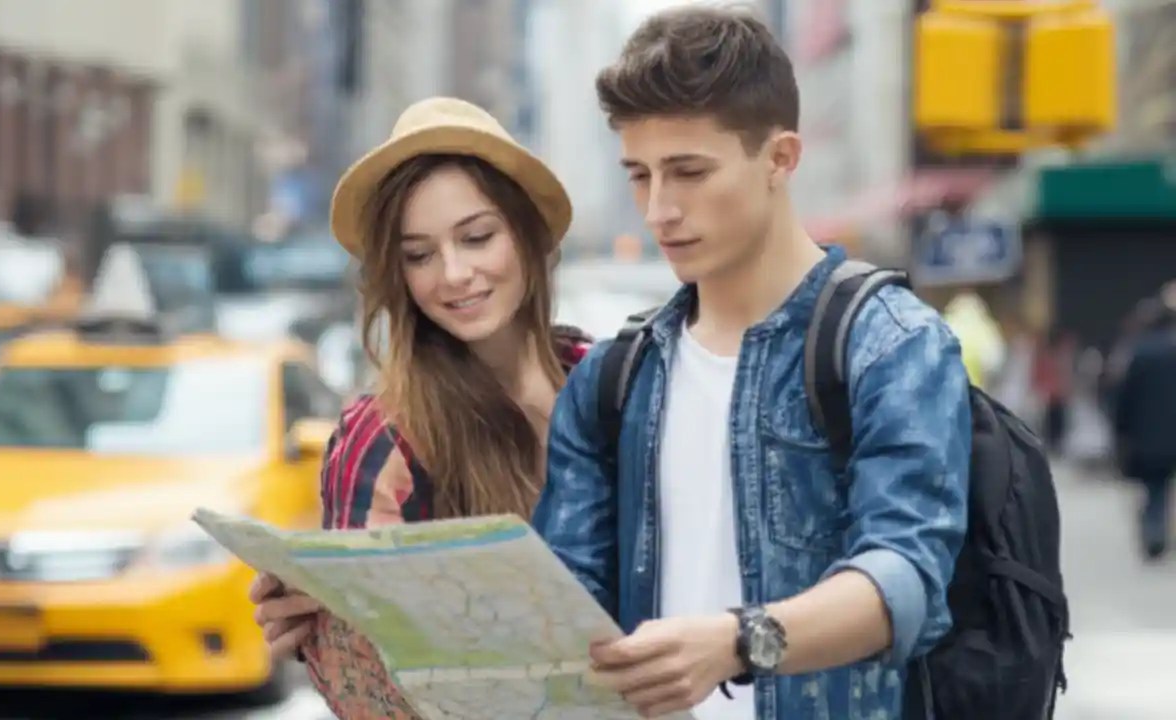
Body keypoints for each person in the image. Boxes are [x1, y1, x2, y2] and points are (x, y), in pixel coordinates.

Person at [532, 7, 972, 719]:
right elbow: (562, 615)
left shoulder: (891, 344)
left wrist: (740, 641)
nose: (660, 209)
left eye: (689, 171)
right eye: (640, 175)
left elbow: (905, 579)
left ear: (780, 158)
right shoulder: (614, 379)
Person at [245, 97, 590, 716]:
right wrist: (331, 627)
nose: (454, 274)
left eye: (477, 237)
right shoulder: (385, 437)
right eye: (419, 255)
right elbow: (372, 683)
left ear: (527, 233)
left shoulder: (612, 383)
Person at [1112, 283, 1176, 560]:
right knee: (1163, 487)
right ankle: (1158, 531)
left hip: (1145, 435)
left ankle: (1153, 531)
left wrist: (1121, 428)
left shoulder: (1139, 353)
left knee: (1153, 486)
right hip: (1172, 433)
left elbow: (1124, 395)